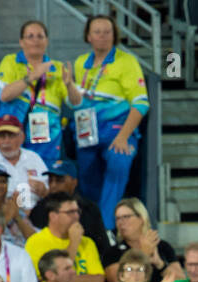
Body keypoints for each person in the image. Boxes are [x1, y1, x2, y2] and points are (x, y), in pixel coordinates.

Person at [69, 13, 150, 212]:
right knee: (86, 176)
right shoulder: (80, 63)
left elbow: (141, 104)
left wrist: (123, 137)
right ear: (88, 36)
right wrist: (68, 85)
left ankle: (108, 228)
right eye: (97, 32)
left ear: (114, 35)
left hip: (117, 129)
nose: (103, 36)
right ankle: (93, 223)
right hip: (86, 130)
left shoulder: (127, 62)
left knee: (119, 161)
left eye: (108, 32)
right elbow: (78, 101)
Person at [0, 19, 76, 170]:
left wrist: (70, 85)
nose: (35, 40)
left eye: (40, 36)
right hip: (12, 136)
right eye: (30, 36)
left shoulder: (56, 67)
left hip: (46, 142)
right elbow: (4, 95)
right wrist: (32, 76)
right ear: (21, 42)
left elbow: (75, 103)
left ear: (47, 41)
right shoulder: (10, 62)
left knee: (41, 185)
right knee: (14, 184)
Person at [27, 160, 111, 262]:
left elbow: (103, 246)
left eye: (59, 180)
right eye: (50, 180)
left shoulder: (89, 209)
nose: (53, 185)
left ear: (74, 183)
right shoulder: (41, 208)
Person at [24, 194, 105, 282]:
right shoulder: (36, 242)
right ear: (53, 216)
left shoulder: (87, 242)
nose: (76, 216)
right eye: (70, 212)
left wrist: (60, 278)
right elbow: (40, 281)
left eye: (77, 211)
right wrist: (74, 244)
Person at [0, 116, 50, 205]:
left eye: (11, 136)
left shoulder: (34, 158)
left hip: (34, 211)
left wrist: (43, 191)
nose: (6, 141)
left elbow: (47, 192)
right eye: (2, 136)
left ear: (22, 137)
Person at [104, 196, 181, 282]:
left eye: (126, 217)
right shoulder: (112, 252)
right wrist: (144, 255)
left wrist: (160, 264)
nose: (121, 222)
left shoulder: (162, 246)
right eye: (117, 218)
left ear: (141, 218)